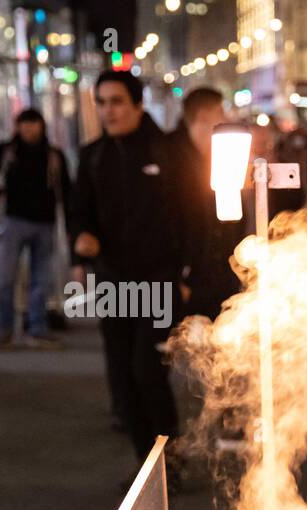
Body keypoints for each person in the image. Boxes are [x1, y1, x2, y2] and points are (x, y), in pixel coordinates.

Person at [69, 70, 184, 463]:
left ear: (137, 104)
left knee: (147, 369)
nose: (108, 110)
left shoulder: (168, 151)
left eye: (116, 101)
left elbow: (194, 216)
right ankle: (144, 465)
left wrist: (189, 276)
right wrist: (81, 245)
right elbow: (79, 210)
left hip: (159, 279)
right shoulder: (92, 155)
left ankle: (171, 454)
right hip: (112, 280)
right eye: (101, 102)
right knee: (122, 376)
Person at [0, 108, 71, 349]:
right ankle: (5, 330)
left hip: (45, 223)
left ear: (41, 126)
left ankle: (37, 328)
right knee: (5, 278)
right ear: (17, 126)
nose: (28, 129)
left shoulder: (53, 155)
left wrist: (72, 225)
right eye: (24, 124)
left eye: (33, 124)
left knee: (41, 280)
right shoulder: (7, 151)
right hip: (15, 221)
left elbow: (68, 191)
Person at [167, 87, 246, 320]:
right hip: (185, 280)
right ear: (203, 115)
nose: (226, 118)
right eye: (221, 111)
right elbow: (166, 223)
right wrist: (177, 278)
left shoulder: (221, 152)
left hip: (220, 276)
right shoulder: (169, 155)